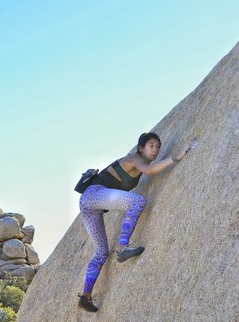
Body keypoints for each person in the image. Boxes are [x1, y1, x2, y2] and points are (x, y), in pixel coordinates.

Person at [77, 132, 194, 312]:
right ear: (141, 148)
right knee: (138, 201)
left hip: (88, 204)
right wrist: (177, 157)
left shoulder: (139, 162)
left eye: (157, 146)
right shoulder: (134, 159)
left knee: (101, 252)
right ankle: (123, 247)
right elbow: (150, 170)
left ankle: (85, 295)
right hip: (93, 195)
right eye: (151, 146)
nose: (155, 150)